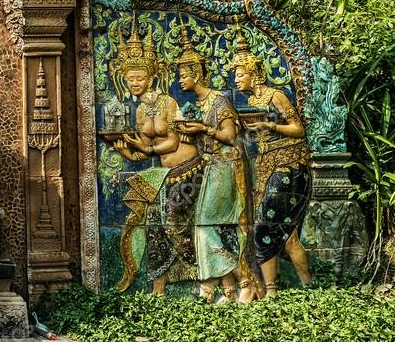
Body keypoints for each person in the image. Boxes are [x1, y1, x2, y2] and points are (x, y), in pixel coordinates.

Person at [110, 18, 202, 295]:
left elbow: (172, 142)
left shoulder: (168, 102)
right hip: (164, 172)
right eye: (130, 79)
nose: (134, 83)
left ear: (151, 77)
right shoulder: (139, 111)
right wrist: (127, 150)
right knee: (152, 223)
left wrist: (146, 149)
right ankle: (158, 288)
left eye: (139, 78)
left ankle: (205, 275)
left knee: (174, 220)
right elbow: (143, 152)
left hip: (188, 168)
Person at [174, 23, 258, 303]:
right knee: (210, 226)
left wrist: (202, 129)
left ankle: (243, 283)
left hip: (226, 164)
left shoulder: (219, 101)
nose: (180, 81)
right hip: (212, 166)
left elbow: (229, 136)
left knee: (208, 224)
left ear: (197, 75)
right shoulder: (200, 105)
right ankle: (226, 289)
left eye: (184, 75)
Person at [233, 29, 312, 295]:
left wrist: (270, 125)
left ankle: (281, 289)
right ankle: (278, 290)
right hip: (267, 166)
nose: (236, 79)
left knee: (268, 229)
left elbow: (298, 129)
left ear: (253, 74)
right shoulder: (251, 101)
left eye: (239, 73)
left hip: (289, 166)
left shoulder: (274, 96)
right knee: (286, 236)